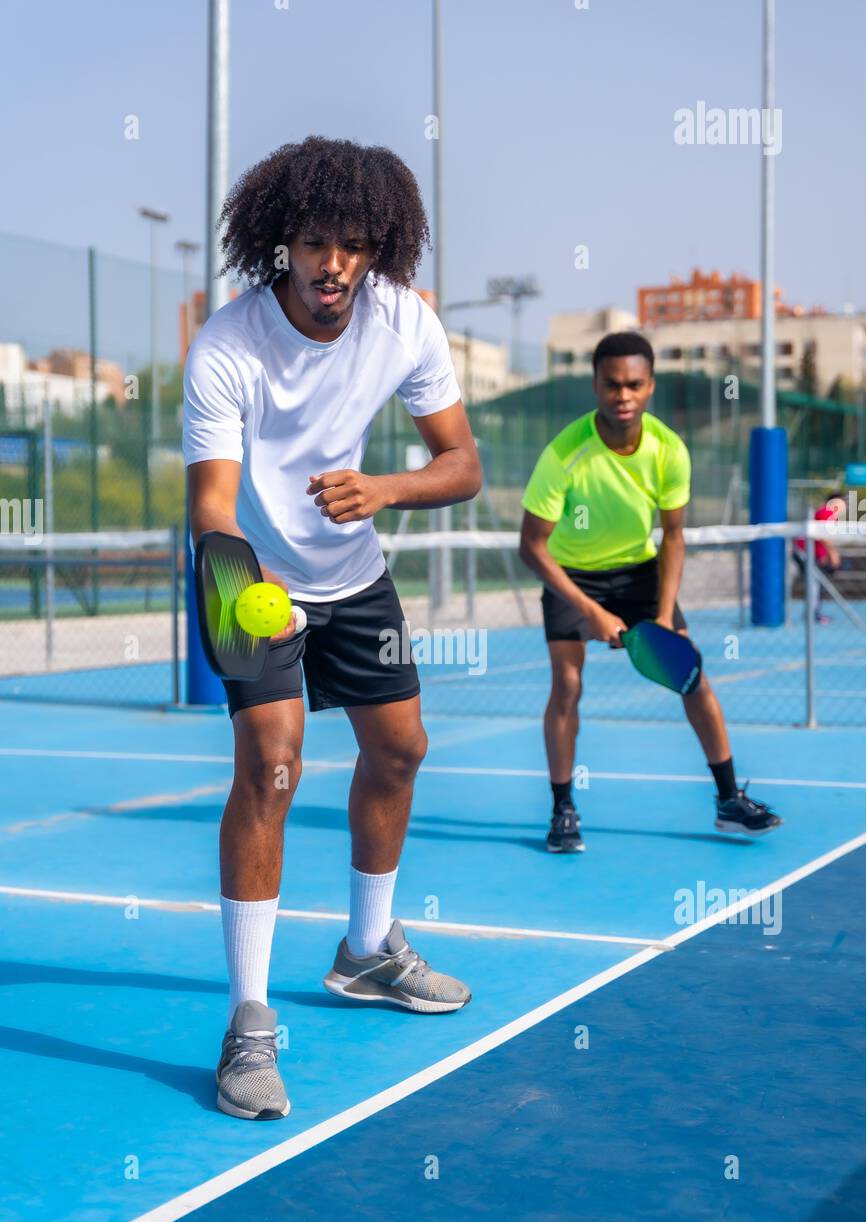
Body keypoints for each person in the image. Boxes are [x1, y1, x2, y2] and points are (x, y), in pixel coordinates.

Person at [184, 136, 481, 1120]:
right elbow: (212, 508)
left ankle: (364, 951)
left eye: (353, 244)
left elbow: (462, 465)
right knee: (273, 763)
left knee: (399, 750)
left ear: (379, 246)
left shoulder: (405, 322)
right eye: (314, 241)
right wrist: (244, 570)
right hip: (249, 578)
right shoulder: (227, 345)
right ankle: (248, 1023)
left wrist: (384, 487)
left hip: (352, 575)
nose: (333, 264)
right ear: (279, 243)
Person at [518, 331, 782, 854]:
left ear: (650, 386)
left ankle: (729, 801)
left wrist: (662, 616)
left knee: (693, 676)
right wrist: (590, 611)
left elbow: (675, 536)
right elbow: (531, 547)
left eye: (634, 384)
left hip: (640, 571)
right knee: (567, 685)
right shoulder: (564, 453)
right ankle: (562, 808)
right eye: (613, 384)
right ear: (595, 385)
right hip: (573, 573)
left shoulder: (668, 450)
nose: (623, 395)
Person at [792, 493, 846, 623]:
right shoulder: (826, 512)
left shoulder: (828, 514)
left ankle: (813, 613)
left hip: (807, 553)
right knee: (813, 584)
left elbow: (820, 539)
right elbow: (823, 538)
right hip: (803, 552)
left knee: (814, 584)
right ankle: (812, 614)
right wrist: (833, 555)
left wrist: (824, 555)